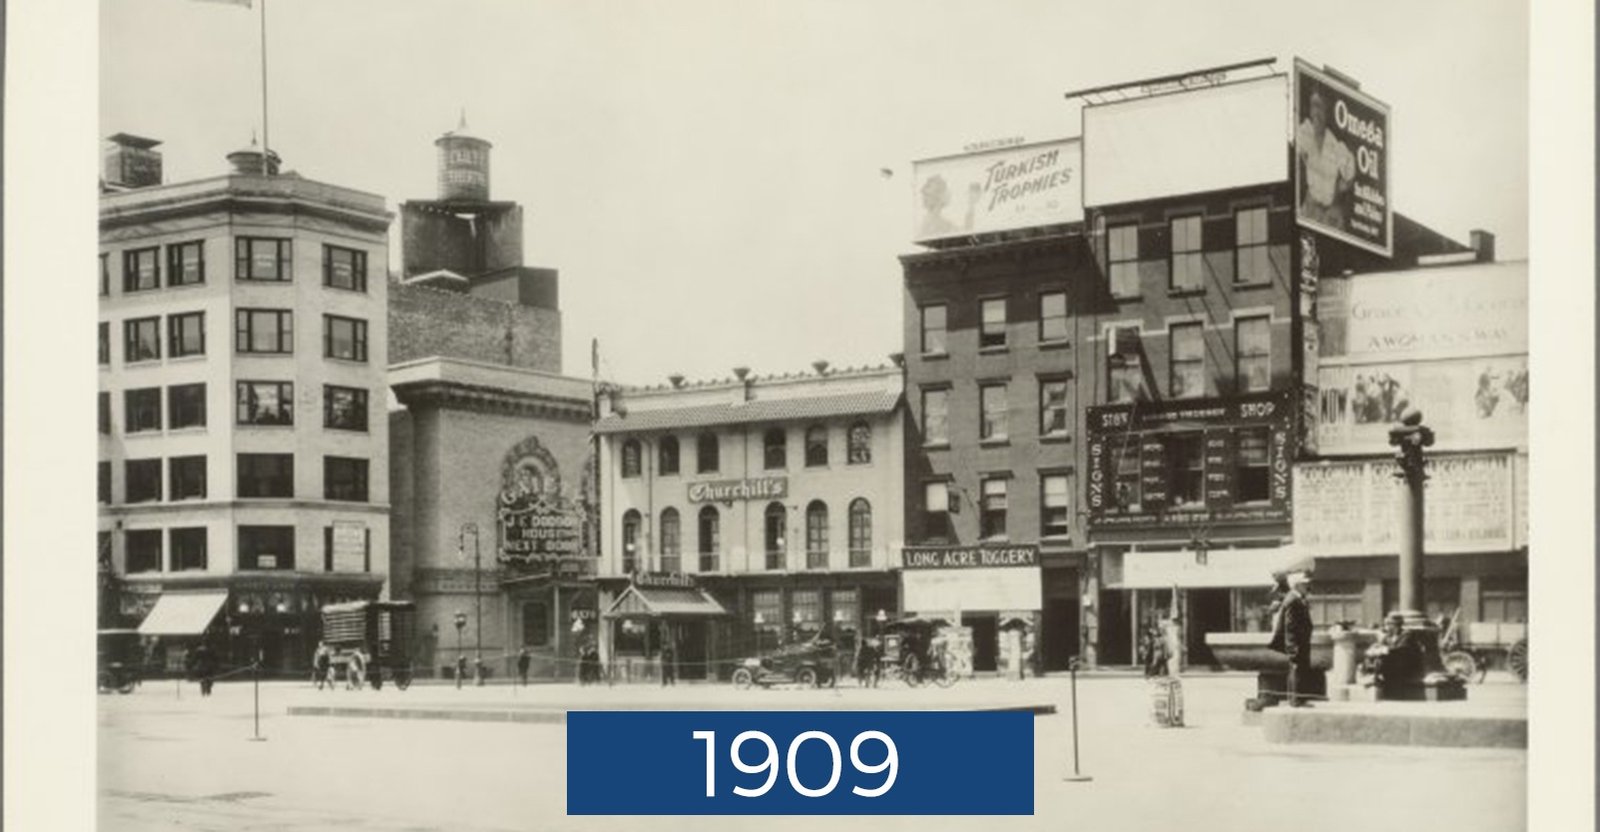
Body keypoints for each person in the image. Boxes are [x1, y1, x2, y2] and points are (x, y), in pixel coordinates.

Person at [1295, 87, 1356, 229]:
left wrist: (1339, 195)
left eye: (1320, 107)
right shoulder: (1304, 131)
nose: (1316, 112)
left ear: (1327, 112)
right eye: (1313, 106)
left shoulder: (1336, 145)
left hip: (1327, 216)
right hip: (1308, 210)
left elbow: (1350, 175)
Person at [1270, 571, 1315, 707]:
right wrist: (1292, 647)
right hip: (1297, 643)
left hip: (1302, 642)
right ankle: (1296, 700)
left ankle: (1299, 699)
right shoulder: (1292, 600)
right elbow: (1289, 626)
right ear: (1296, 585)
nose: (1307, 586)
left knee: (1300, 669)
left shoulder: (1298, 598)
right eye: (1304, 584)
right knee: (1296, 669)